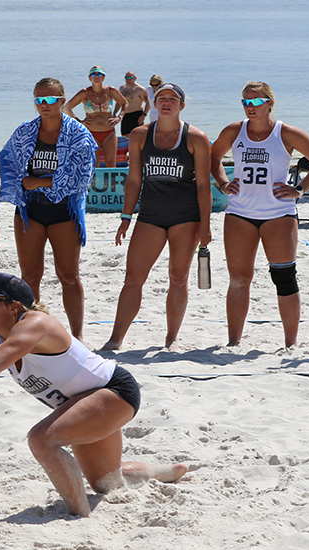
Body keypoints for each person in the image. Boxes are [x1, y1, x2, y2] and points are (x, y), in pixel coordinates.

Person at [0, 272, 187, 517]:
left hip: (113, 392)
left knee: (41, 440)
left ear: (14, 307)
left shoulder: (35, 323)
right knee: (107, 483)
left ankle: (80, 518)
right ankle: (166, 472)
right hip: (80, 405)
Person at [210, 81, 309, 349]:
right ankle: (234, 341)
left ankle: (290, 344)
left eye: (256, 101)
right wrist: (223, 184)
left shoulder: (285, 132)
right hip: (240, 212)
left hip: (279, 213)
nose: (249, 107)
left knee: (284, 277)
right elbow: (213, 158)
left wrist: (299, 189)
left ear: (269, 103)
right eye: (245, 101)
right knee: (239, 279)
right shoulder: (234, 130)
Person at [103, 83, 212, 351]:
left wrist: (205, 225)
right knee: (133, 279)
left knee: (178, 277)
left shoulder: (196, 137)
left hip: (186, 217)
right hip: (150, 216)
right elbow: (134, 180)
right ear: (153, 102)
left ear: (181, 105)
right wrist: (126, 217)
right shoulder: (140, 134)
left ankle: (171, 339)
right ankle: (115, 339)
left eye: (172, 99)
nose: (166, 103)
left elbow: (203, 185)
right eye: (161, 98)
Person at [0, 77, 97, 341]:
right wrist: (20, 185)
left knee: (69, 275)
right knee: (30, 276)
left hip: (64, 210)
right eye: (39, 99)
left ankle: (77, 337)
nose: (44, 104)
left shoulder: (78, 133)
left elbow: (82, 177)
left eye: (50, 99)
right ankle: (31, 334)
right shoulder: (25, 131)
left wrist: (40, 181)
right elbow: (6, 159)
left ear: (62, 100)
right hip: (30, 209)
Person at [63, 66, 127, 168]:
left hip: (109, 132)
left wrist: (119, 117)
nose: (96, 76)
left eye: (99, 74)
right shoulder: (84, 93)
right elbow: (66, 108)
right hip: (91, 133)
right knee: (93, 164)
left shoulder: (111, 91)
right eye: (93, 74)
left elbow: (125, 103)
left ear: (103, 77)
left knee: (111, 164)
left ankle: (109, 180)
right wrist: (79, 121)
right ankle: (93, 180)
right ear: (90, 78)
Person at [118, 71, 150, 136]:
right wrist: (114, 113)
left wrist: (144, 115)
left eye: (130, 78)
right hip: (125, 115)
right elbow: (119, 102)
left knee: (136, 136)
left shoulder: (140, 89)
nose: (128, 80)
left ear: (135, 78)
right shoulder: (122, 88)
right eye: (126, 78)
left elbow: (148, 102)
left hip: (136, 115)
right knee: (125, 137)